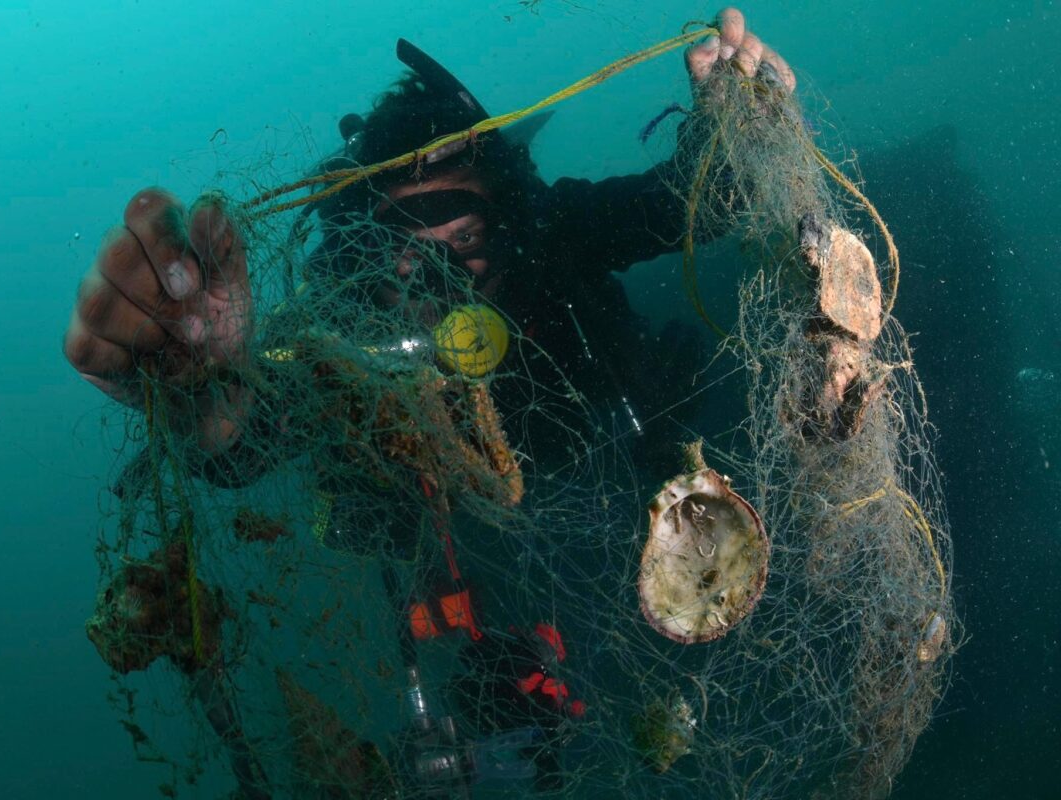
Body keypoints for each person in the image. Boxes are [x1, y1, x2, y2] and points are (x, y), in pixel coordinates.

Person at [64, 7, 795, 793]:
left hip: (628, 493)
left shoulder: (551, 236)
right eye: (407, 256)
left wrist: (742, 131)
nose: (445, 290)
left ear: (505, 223)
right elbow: (245, 432)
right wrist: (205, 385)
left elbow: (693, 198)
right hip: (457, 567)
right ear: (359, 253)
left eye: (466, 244)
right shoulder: (337, 327)